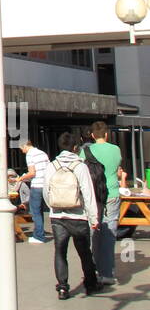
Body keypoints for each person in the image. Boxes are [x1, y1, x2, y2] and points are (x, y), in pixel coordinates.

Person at [44, 136, 99, 299]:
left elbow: (45, 191)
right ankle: (90, 284)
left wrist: (53, 206)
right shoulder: (80, 166)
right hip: (78, 215)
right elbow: (88, 193)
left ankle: (62, 287)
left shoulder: (52, 166)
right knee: (84, 252)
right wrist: (93, 218)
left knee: (60, 251)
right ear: (75, 147)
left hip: (57, 215)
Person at [85, 120, 123, 287]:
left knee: (94, 232)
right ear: (107, 134)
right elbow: (116, 168)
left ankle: (93, 268)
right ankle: (107, 273)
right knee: (109, 233)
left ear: (92, 135)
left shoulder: (86, 151)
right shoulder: (116, 149)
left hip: (93, 197)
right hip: (112, 194)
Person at [17, 139, 51, 244]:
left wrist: (21, 178)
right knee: (41, 210)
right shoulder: (43, 153)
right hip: (45, 184)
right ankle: (40, 233)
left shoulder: (30, 155)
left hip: (37, 185)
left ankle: (39, 236)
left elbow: (32, 173)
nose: (22, 151)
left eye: (21, 149)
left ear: (25, 146)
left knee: (35, 211)